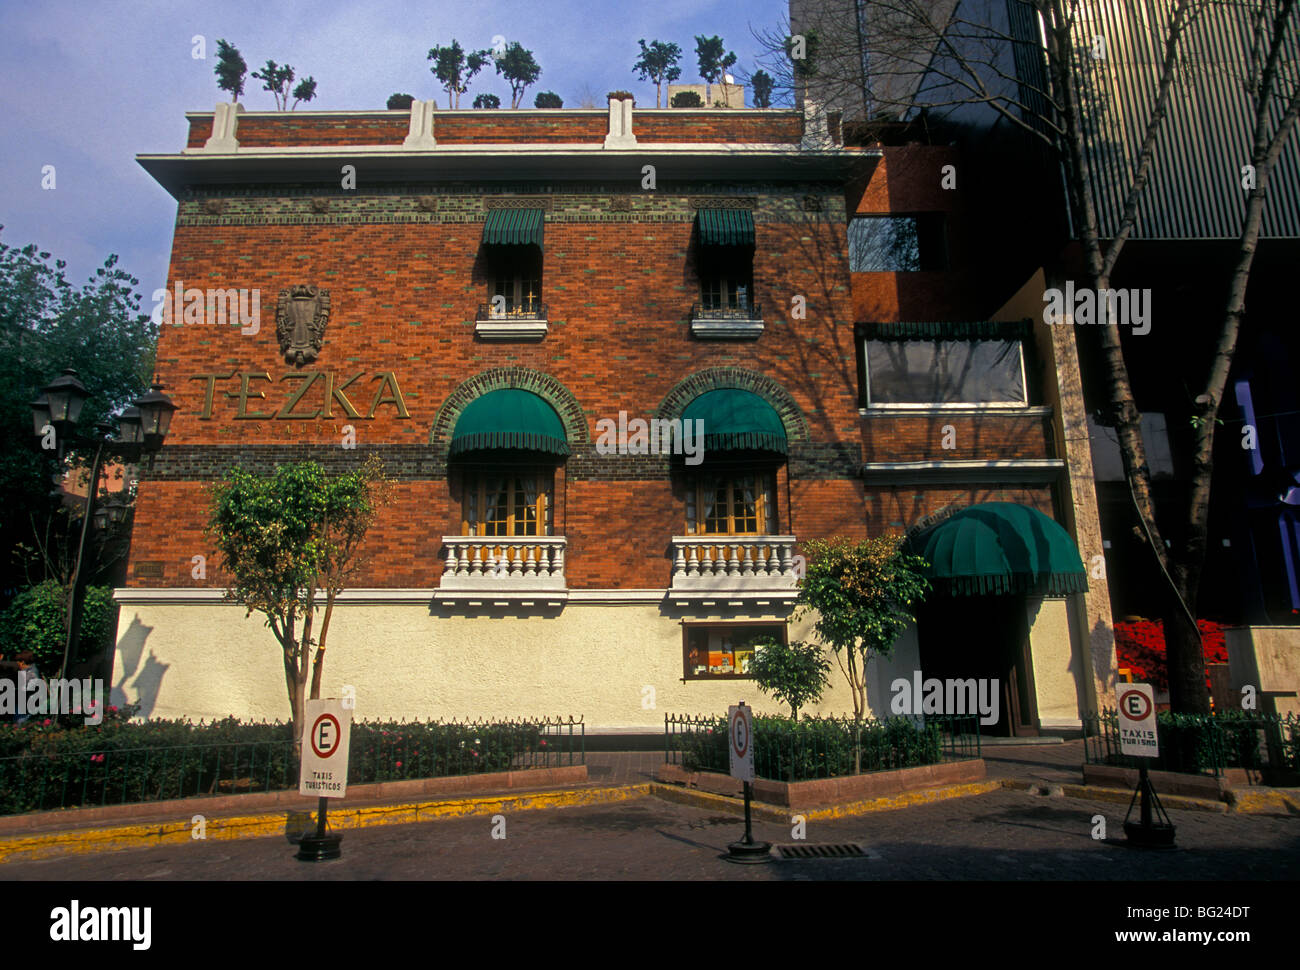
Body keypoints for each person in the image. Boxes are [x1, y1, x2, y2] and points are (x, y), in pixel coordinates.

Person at [13, 651, 40, 724]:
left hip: (25, 707)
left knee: (19, 724)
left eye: (18, 662)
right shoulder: (30, 671)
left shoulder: (31, 673)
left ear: (23, 662)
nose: (17, 664)